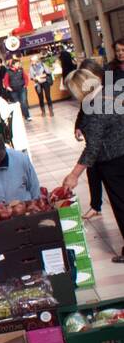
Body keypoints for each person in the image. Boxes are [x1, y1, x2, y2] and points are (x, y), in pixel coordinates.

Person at [63, 65, 124, 261]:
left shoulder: (94, 106)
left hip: (113, 162)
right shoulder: (112, 93)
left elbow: (93, 148)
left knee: (121, 205)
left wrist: (74, 175)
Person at [74, 59, 105, 219]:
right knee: (93, 173)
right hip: (96, 145)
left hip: (107, 147)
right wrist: (78, 126)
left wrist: (74, 175)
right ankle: (95, 205)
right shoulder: (88, 93)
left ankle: (96, 205)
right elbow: (82, 111)